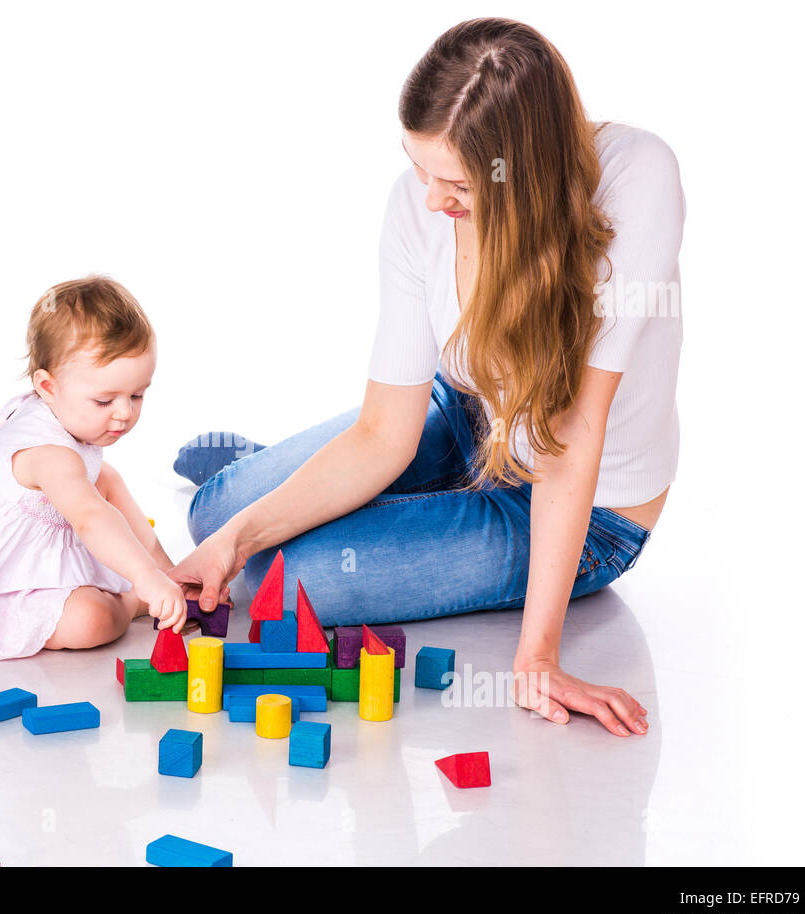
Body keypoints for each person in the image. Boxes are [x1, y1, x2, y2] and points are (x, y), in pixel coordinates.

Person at [169, 17, 685, 738]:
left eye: (458, 184)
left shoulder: (638, 178)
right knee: (216, 524)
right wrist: (238, 536)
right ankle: (272, 479)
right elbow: (386, 430)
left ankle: (308, 486)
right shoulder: (419, 203)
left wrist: (538, 655)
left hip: (587, 504)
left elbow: (572, 433)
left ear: (522, 173)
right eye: (420, 169)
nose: (432, 198)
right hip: (470, 416)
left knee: (279, 586)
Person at [0, 275, 189, 661]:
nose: (124, 413)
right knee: (92, 620)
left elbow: (100, 495)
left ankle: (163, 571)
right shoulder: (47, 452)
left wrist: (162, 572)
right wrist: (144, 582)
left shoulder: (68, 419)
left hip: (33, 551)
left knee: (106, 477)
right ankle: (131, 602)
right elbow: (90, 517)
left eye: (136, 395)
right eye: (103, 400)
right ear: (46, 386)